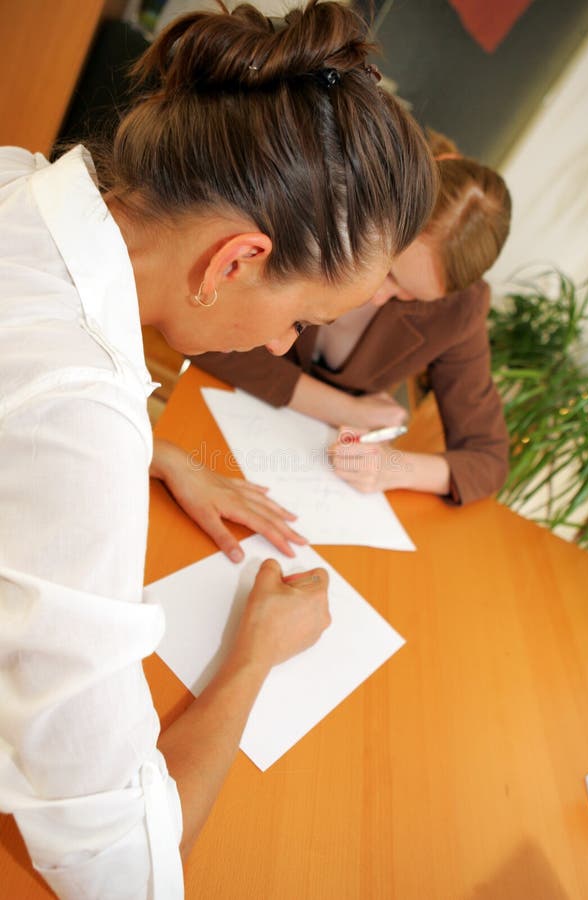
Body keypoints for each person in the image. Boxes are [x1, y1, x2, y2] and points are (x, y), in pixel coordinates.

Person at [0, 3, 438, 898]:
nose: (283, 345)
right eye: (301, 318)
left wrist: (157, 453)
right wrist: (254, 658)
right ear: (236, 260)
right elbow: (119, 870)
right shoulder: (79, 418)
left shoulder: (15, 179)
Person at [194, 130, 512, 506]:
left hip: (307, 475)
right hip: (208, 414)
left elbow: (488, 458)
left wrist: (394, 468)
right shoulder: (320, 211)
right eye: (389, 271)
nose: (379, 296)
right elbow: (204, 333)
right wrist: (347, 409)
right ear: (381, 219)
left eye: (411, 295)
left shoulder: (461, 309)